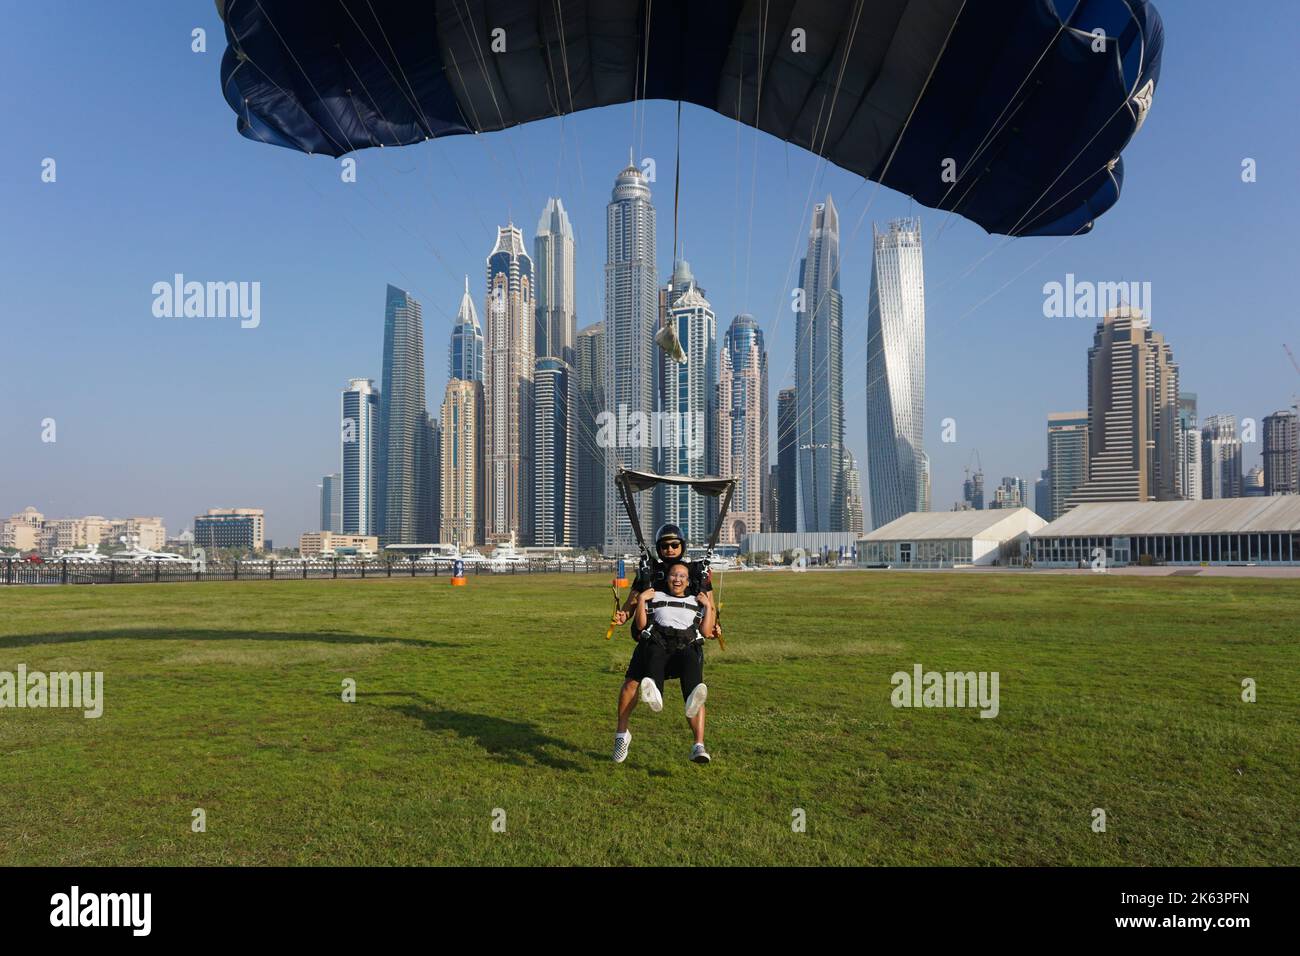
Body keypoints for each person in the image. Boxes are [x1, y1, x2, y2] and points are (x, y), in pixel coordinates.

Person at [612, 561, 714, 764]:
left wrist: (709, 606)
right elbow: (640, 623)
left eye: (682, 576)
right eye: (674, 575)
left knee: (692, 658)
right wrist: (640, 600)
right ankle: (654, 693)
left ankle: (698, 743)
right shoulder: (654, 593)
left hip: (686, 646)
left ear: (688, 581)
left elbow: (706, 631)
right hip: (658, 644)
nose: (677, 579)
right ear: (667, 577)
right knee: (652, 655)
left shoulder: (697, 600)